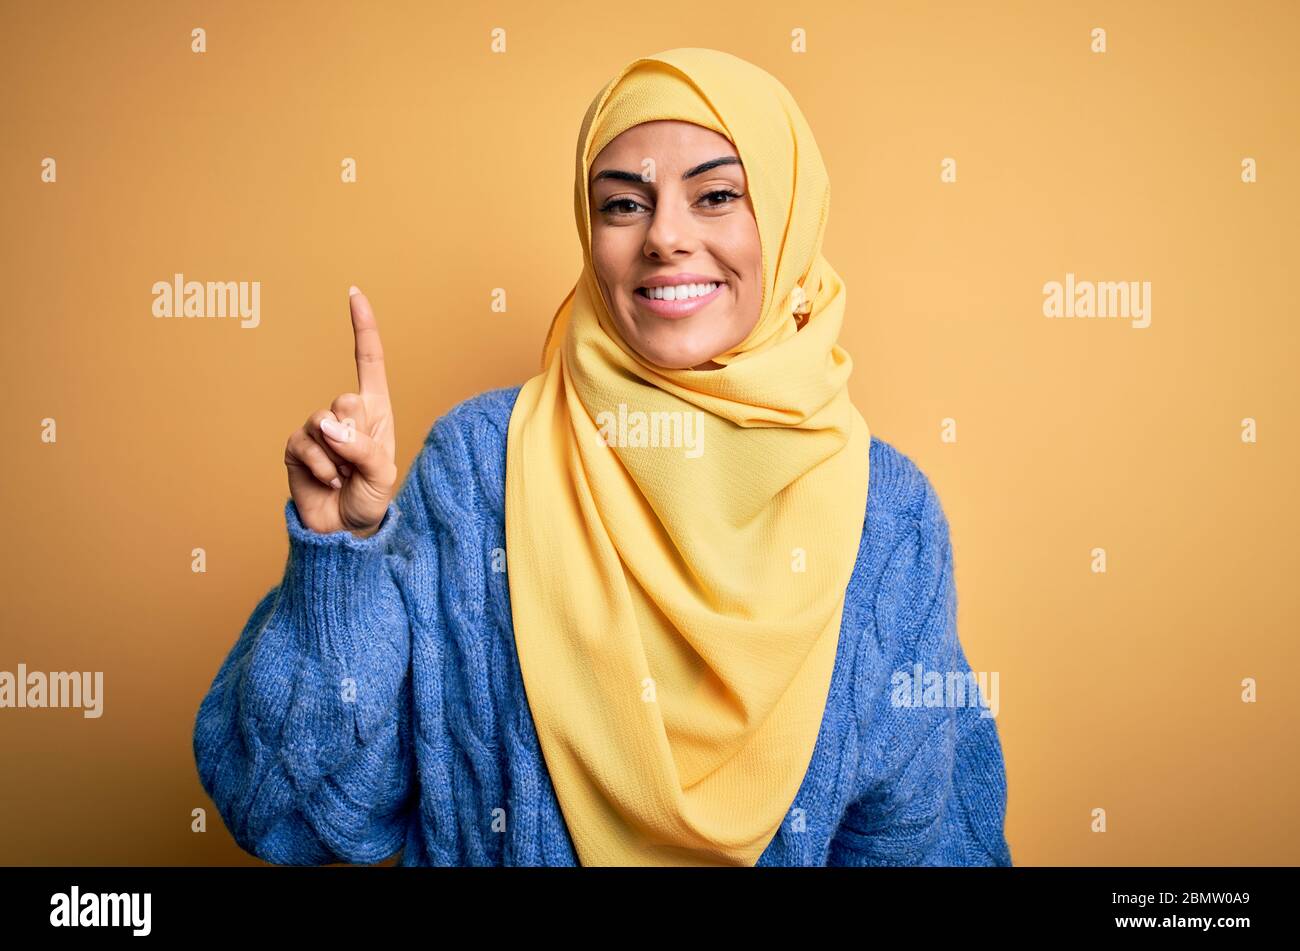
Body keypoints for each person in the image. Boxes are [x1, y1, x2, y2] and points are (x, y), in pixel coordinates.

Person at [192, 47, 1012, 866]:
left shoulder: (888, 517)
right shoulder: (479, 467)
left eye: (717, 196)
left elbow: (921, 845)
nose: (664, 237)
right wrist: (340, 558)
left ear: (790, 219)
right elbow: (291, 816)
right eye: (623, 205)